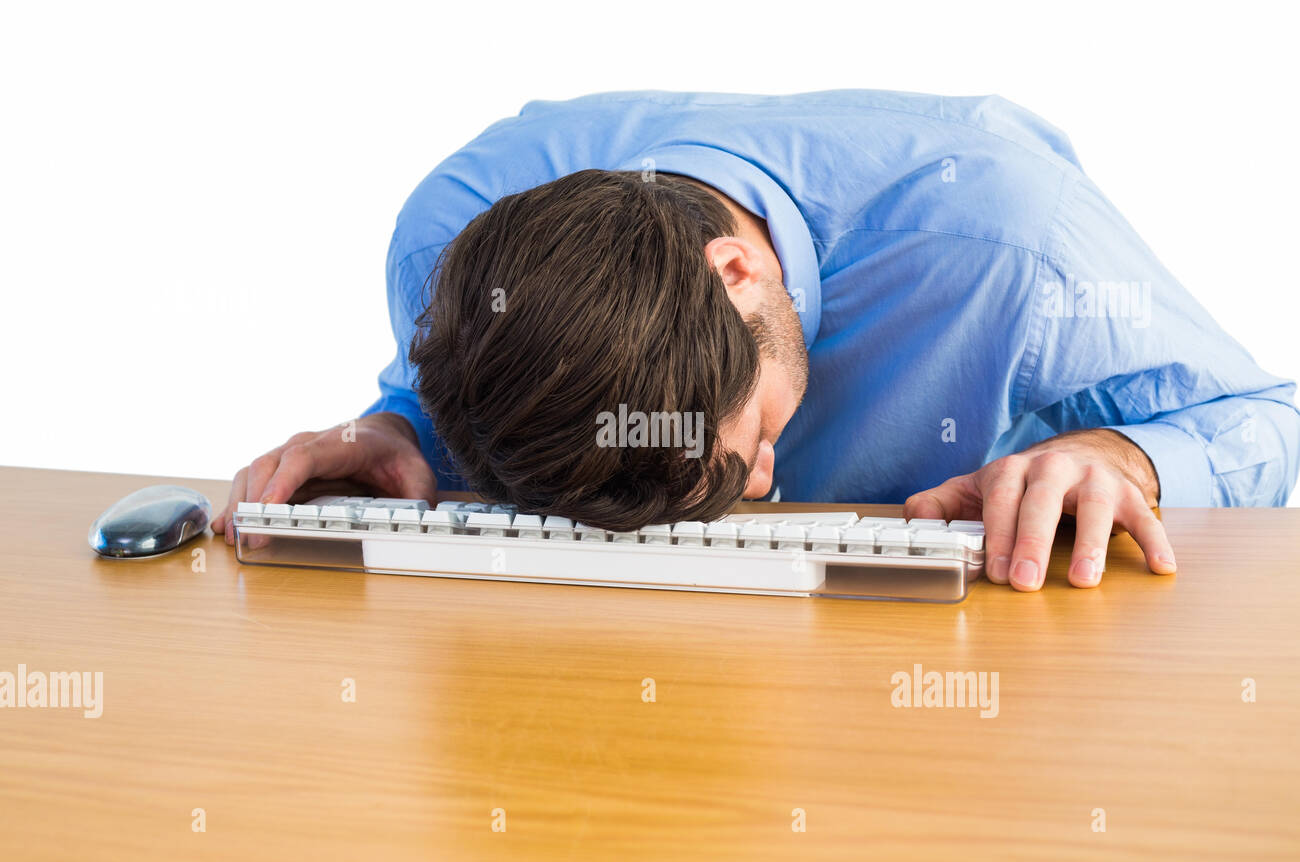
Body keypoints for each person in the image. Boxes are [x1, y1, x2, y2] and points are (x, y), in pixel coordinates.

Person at [212, 90, 1300, 591]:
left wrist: (1127, 456)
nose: (764, 486)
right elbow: (464, 406)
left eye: (751, 449)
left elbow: (1270, 420)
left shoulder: (1018, 246)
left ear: (740, 275)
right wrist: (402, 424)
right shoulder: (449, 240)